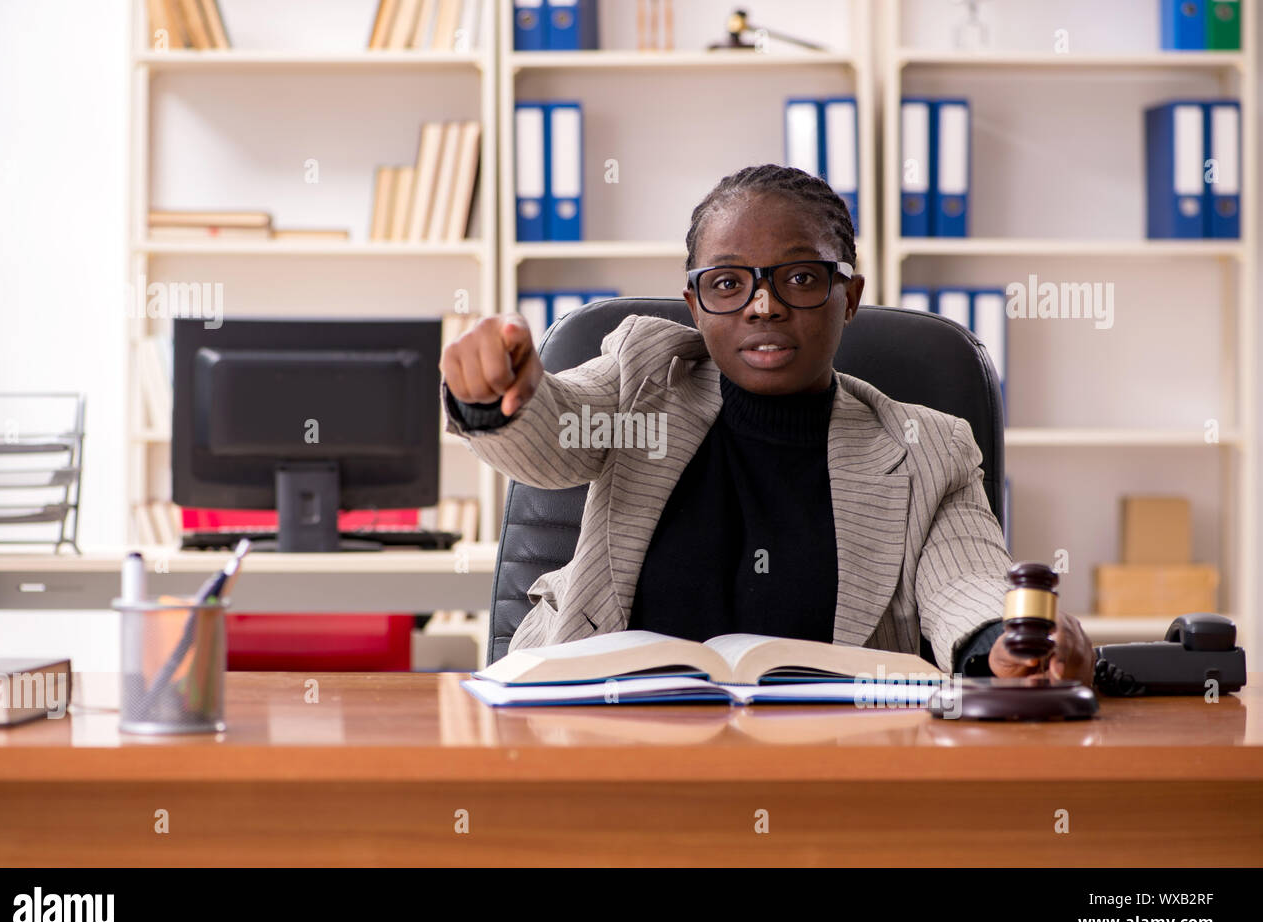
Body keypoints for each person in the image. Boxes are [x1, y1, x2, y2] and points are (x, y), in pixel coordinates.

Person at [440, 164, 1094, 681]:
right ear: (694, 304)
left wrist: (1004, 641)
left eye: (801, 278)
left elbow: (969, 583)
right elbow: (556, 433)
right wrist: (499, 394)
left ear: (850, 297)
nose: (763, 306)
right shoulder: (642, 375)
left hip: (833, 764)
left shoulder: (929, 449)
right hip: (599, 738)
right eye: (728, 283)